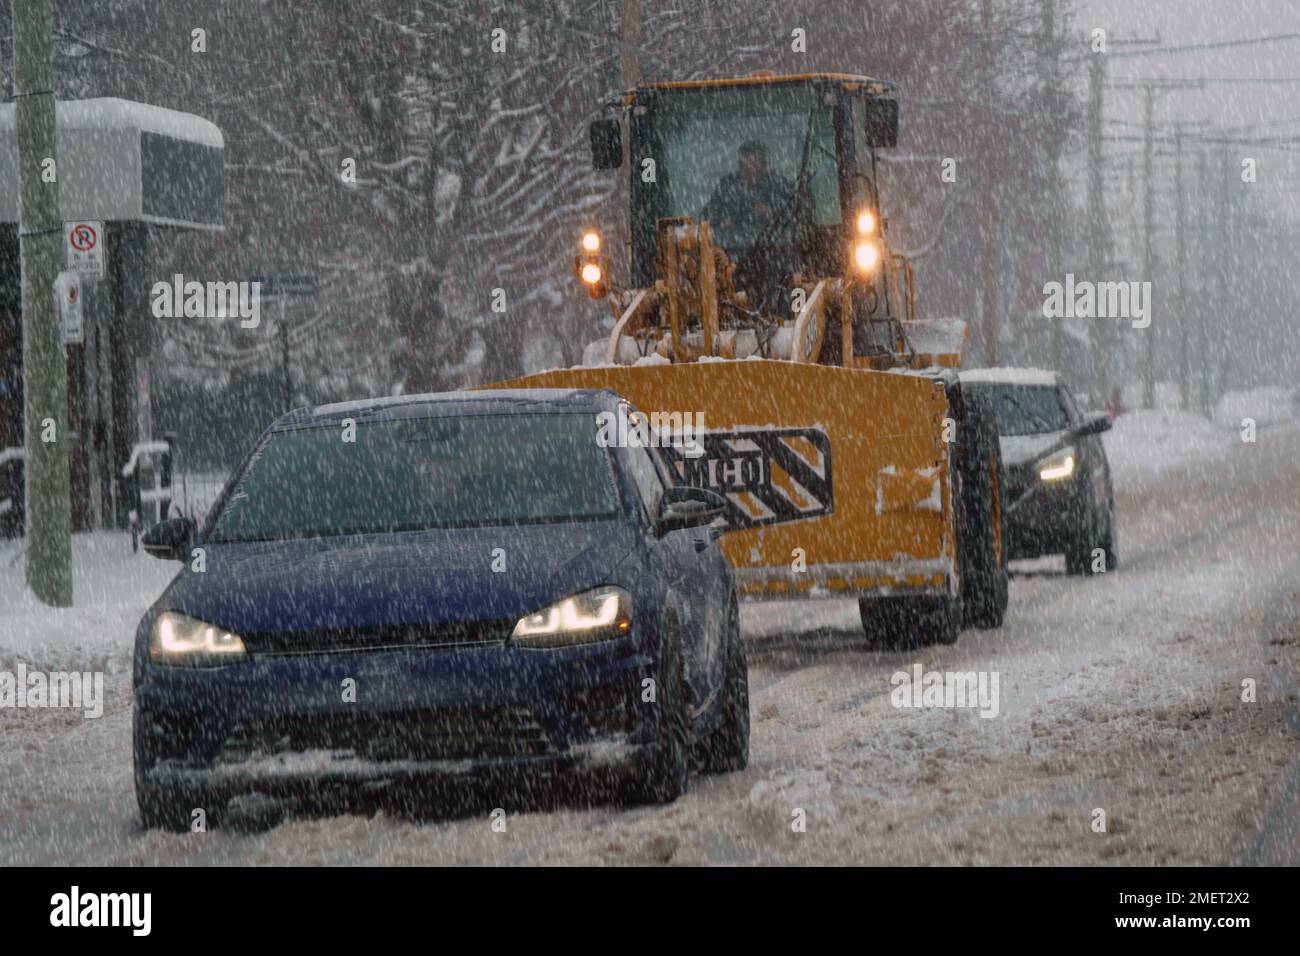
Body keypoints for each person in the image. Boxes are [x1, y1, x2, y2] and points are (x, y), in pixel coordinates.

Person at [700, 140, 792, 255]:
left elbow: (799, 215)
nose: (750, 169)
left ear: (764, 165)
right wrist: (724, 221)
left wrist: (771, 212)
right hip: (730, 252)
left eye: (756, 163)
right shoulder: (727, 186)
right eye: (744, 164)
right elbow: (706, 217)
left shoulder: (781, 187)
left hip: (777, 250)